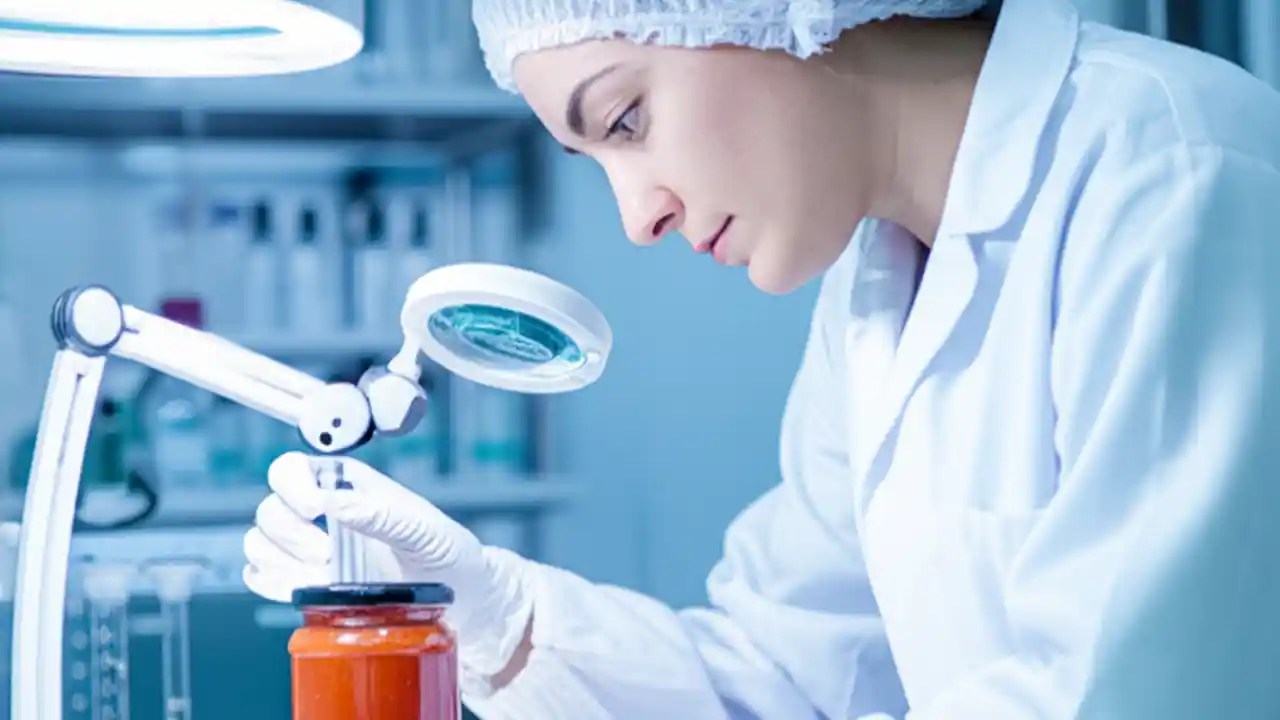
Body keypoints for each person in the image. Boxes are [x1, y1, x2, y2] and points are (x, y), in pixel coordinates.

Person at [243, 0, 1280, 716]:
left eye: (626, 119)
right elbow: (787, 679)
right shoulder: (874, 280)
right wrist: (493, 616)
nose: (636, 215)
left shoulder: (1172, 167)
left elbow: (1118, 694)